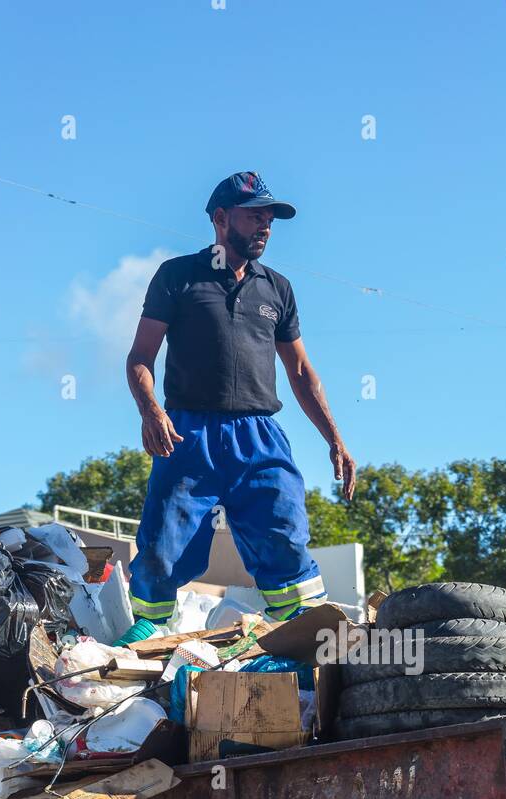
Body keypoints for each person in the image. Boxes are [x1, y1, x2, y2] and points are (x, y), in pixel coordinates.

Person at [117, 171, 357, 645]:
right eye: (255, 216)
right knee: (164, 542)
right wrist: (150, 411)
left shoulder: (277, 289)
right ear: (221, 219)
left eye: (270, 217)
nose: (265, 225)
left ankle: (302, 635)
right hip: (187, 434)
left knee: (284, 533)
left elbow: (302, 373)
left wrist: (336, 440)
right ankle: (150, 627)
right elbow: (140, 358)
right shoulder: (177, 276)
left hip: (259, 436)